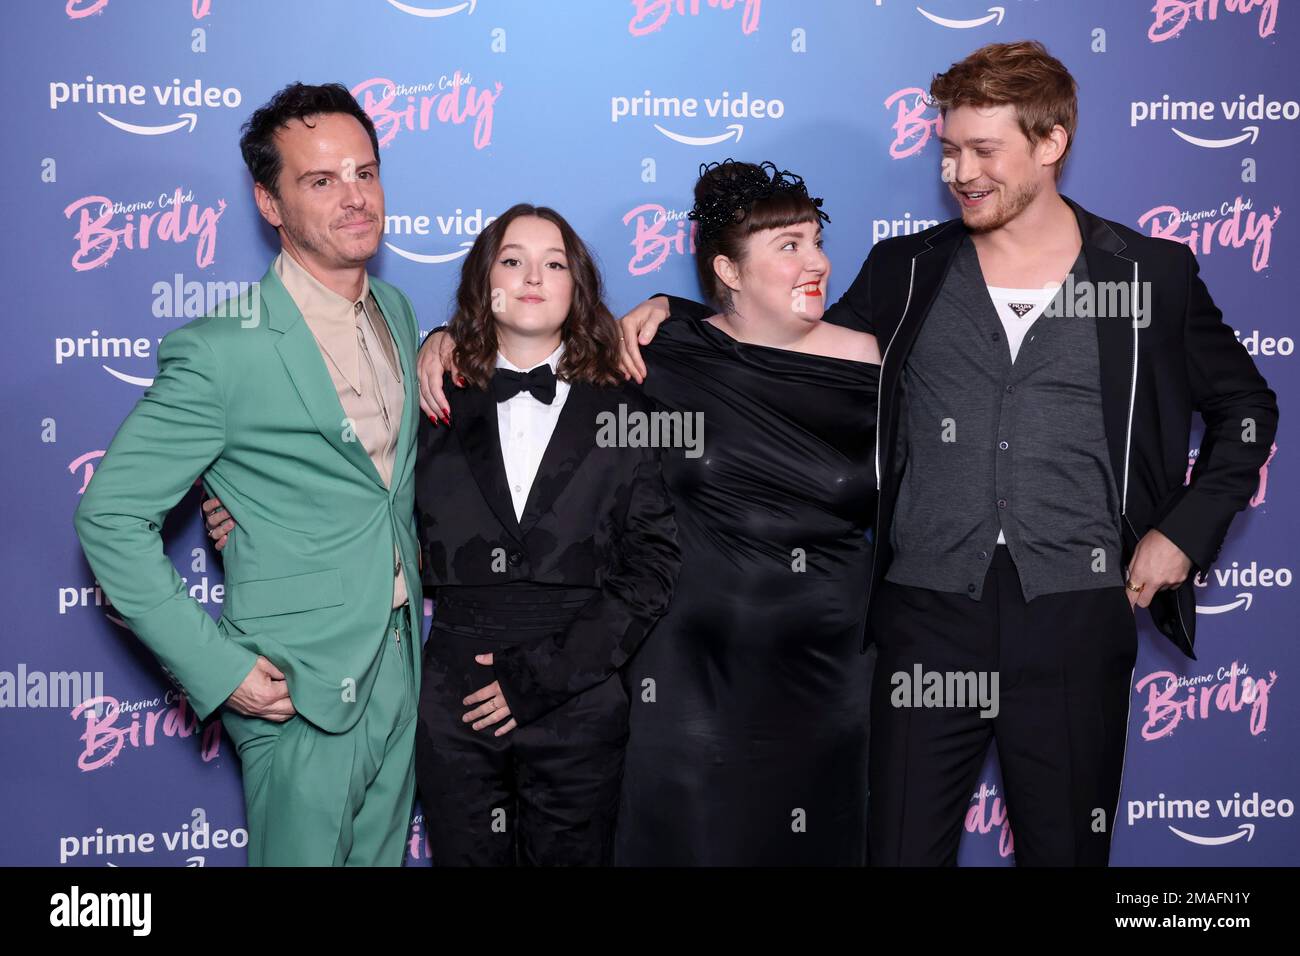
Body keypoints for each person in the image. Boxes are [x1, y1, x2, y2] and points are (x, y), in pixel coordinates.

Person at [619, 42, 1280, 866]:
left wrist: (1183, 531)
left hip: (1074, 616)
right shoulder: (908, 270)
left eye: (984, 150)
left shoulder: (1148, 274)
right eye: (948, 149)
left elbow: (1247, 410)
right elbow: (790, 345)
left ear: (1051, 143)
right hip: (924, 618)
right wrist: (674, 314)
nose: (961, 171)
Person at [419, 160, 881, 865]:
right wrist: (443, 338)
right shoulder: (657, 358)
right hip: (692, 676)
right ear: (728, 268)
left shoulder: (875, 361)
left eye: (816, 240)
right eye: (790, 245)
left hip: (829, 673)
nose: (816, 261)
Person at [78, 82, 424, 866]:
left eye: (364, 173)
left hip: (400, 665)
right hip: (295, 689)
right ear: (270, 203)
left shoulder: (398, 313)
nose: (354, 198)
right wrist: (218, 670)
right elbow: (109, 518)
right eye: (321, 181)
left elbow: (370, 484)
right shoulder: (219, 350)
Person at [411, 204, 680, 865]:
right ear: (484, 281)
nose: (533, 276)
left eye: (554, 263)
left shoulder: (627, 404)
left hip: (580, 697)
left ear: (576, 285)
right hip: (455, 702)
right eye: (512, 260)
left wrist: (541, 678)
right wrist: (230, 506)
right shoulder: (429, 393)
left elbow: (652, 566)